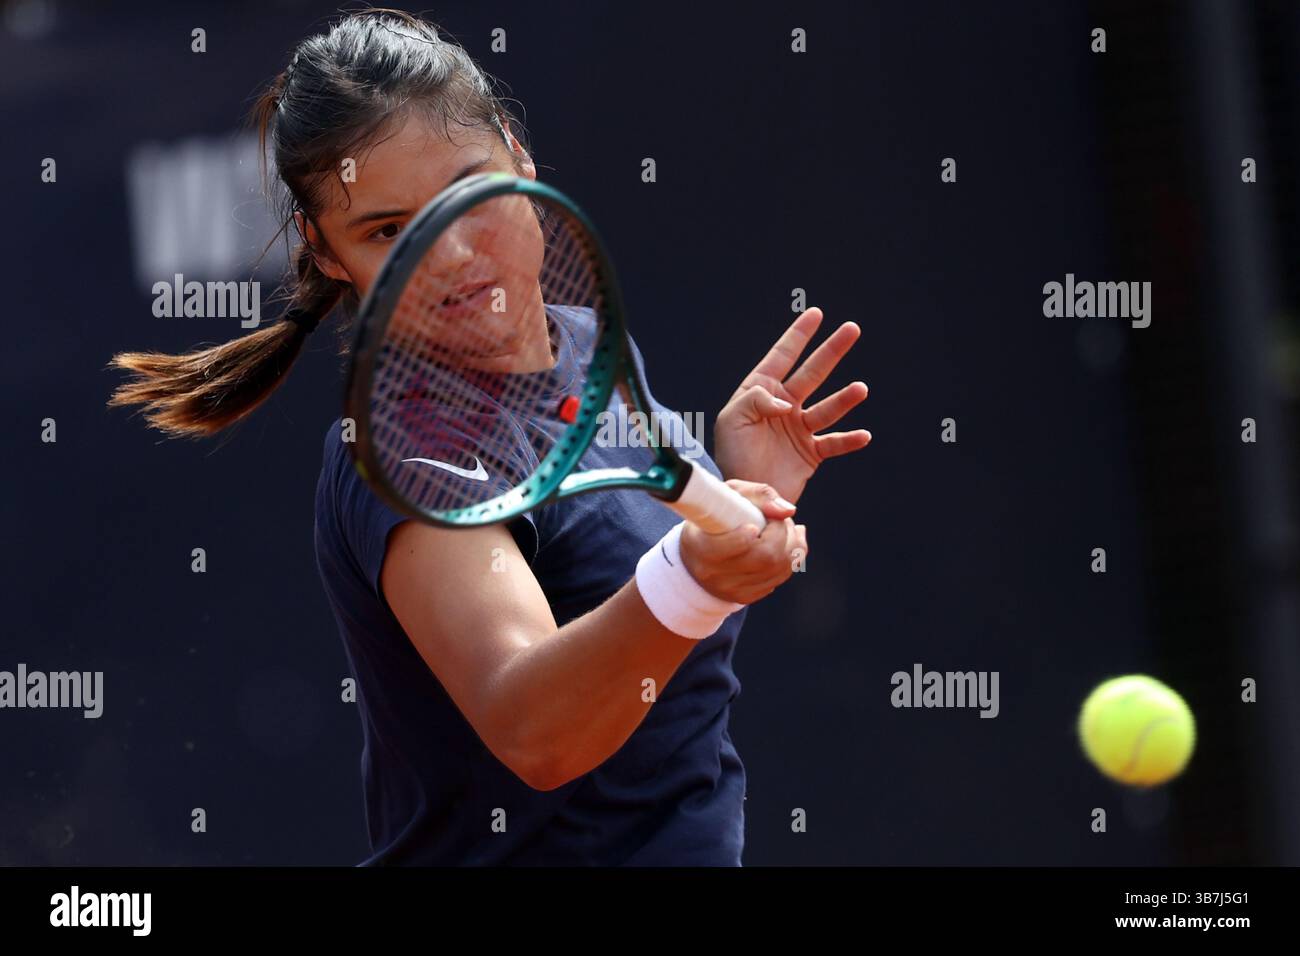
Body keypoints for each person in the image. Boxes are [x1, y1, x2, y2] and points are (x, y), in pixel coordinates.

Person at [108, 9, 870, 865]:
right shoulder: (401, 450)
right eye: (389, 231)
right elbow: (535, 727)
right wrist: (697, 573)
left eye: (468, 194)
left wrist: (732, 492)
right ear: (327, 254)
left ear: (517, 154)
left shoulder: (591, 348)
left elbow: (655, 654)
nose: (453, 253)